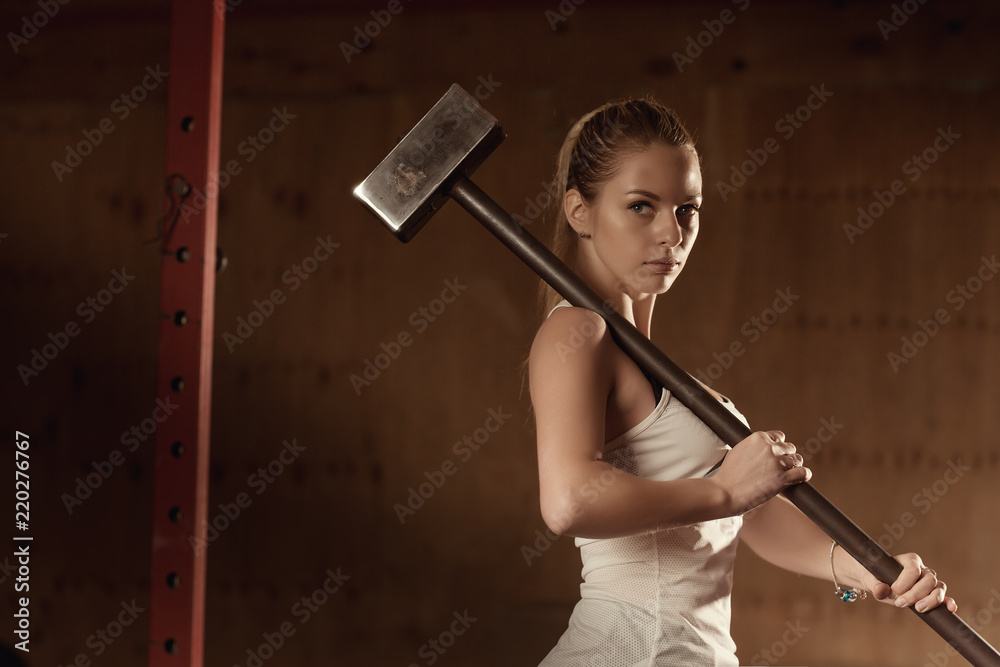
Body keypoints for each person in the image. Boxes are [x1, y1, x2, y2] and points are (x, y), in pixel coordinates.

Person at [528, 97, 958, 665]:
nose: (670, 233)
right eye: (640, 206)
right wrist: (728, 487)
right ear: (580, 212)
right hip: (631, 649)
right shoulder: (577, 333)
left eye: (688, 209)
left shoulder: (644, 353)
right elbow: (567, 502)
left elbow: (751, 519)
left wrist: (863, 568)